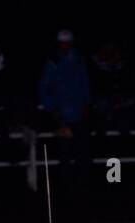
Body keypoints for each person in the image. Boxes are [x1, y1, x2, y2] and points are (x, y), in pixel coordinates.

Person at [39, 29, 90, 190]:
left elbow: (85, 86)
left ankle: (83, 185)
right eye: (62, 43)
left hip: (80, 114)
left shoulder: (80, 61)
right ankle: (65, 187)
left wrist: (87, 106)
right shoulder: (52, 62)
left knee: (83, 152)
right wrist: (53, 110)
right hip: (61, 115)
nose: (65, 46)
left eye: (68, 42)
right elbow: (44, 89)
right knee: (64, 153)